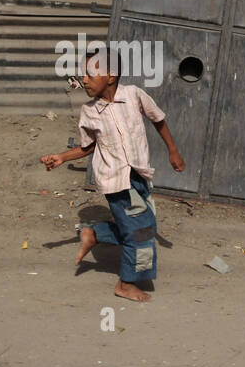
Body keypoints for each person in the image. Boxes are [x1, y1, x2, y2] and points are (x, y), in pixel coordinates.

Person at [40, 52, 184, 302]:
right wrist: (62, 157)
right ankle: (125, 283)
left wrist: (173, 150)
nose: (83, 80)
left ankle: (96, 234)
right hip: (115, 180)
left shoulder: (134, 95)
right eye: (82, 75)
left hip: (138, 173)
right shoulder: (89, 111)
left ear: (111, 76)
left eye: (90, 74)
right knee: (141, 231)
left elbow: (158, 119)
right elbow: (88, 146)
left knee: (144, 224)